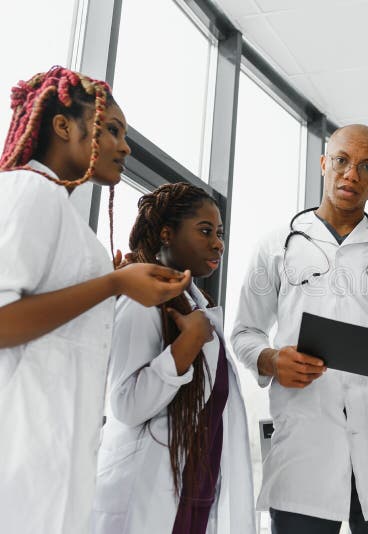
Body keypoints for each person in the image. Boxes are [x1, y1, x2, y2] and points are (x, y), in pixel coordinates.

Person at [0, 67, 190, 533]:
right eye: (112, 130)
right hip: (20, 463)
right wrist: (114, 286)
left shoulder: (57, 210)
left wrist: (112, 279)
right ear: (63, 127)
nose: (125, 147)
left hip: (51, 464)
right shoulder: (29, 190)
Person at [232, 124, 368, 533]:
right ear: (324, 163)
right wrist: (270, 359)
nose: (351, 174)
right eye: (341, 160)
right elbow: (244, 333)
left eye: (367, 166)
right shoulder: (276, 245)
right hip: (306, 445)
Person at [92, 183, 255, 533]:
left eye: (220, 233)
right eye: (205, 231)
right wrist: (187, 346)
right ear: (167, 233)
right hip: (148, 493)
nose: (218, 243)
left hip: (193, 492)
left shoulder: (197, 306)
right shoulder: (140, 302)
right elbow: (126, 405)